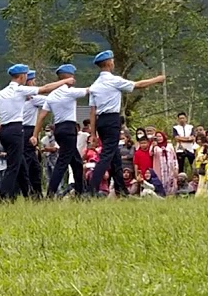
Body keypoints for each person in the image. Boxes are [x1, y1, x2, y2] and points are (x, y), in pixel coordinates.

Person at [0, 65, 73, 200]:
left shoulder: (12, 96)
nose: (33, 82)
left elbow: (3, 119)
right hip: (23, 131)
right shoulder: (31, 97)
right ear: (26, 80)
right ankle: (12, 194)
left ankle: (29, 194)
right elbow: (47, 94)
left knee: (27, 166)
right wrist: (64, 86)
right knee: (22, 166)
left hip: (14, 130)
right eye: (32, 80)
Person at [86, 51, 165, 197]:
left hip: (101, 121)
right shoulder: (114, 80)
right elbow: (138, 85)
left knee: (115, 156)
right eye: (112, 61)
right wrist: (157, 79)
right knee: (106, 156)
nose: (113, 63)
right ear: (108, 63)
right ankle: (91, 189)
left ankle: (121, 191)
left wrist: (93, 133)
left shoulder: (94, 86)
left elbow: (92, 111)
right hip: (112, 120)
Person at [31, 64, 86, 198]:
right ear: (70, 77)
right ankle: (51, 193)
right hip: (69, 128)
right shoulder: (70, 92)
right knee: (62, 162)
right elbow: (89, 91)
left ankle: (80, 192)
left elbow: (41, 116)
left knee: (76, 162)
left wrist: (35, 134)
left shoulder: (52, 95)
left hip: (58, 129)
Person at [150, 129, 180, 196]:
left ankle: (171, 194)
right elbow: (151, 154)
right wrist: (153, 146)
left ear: (163, 137)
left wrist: (176, 167)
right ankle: (161, 194)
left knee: (171, 180)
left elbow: (174, 157)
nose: (159, 138)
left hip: (170, 167)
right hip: (159, 168)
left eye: (160, 136)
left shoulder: (169, 145)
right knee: (160, 180)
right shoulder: (154, 146)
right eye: (157, 137)